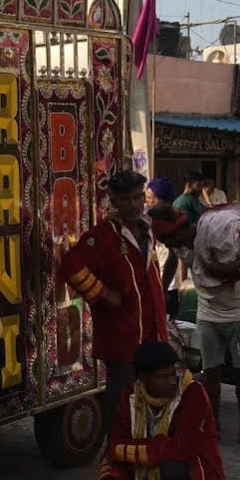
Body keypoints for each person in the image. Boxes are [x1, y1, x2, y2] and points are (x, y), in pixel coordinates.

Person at [60, 171, 168, 435]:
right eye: (125, 199)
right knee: (121, 410)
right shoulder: (101, 237)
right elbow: (70, 267)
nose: (133, 204)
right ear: (114, 202)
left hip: (152, 335)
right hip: (122, 340)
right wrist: (103, 293)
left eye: (137, 197)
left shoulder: (147, 230)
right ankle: (116, 455)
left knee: (152, 406)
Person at [191, 202, 240, 453]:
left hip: (239, 314)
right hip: (208, 314)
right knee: (210, 372)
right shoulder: (196, 242)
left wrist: (227, 268)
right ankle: (213, 427)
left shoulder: (233, 241)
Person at [98, 341, 226, 480]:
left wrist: (127, 450)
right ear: (143, 378)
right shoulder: (131, 395)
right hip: (146, 463)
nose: (172, 381)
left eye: (173, 374)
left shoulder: (193, 393)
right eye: (163, 376)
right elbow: (116, 441)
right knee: (112, 469)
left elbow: (183, 449)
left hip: (195, 470)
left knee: (172, 468)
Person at [145, 178, 194, 319]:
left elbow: (173, 259)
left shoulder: (174, 224)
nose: (147, 202)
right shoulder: (147, 222)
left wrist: (163, 289)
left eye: (150, 198)